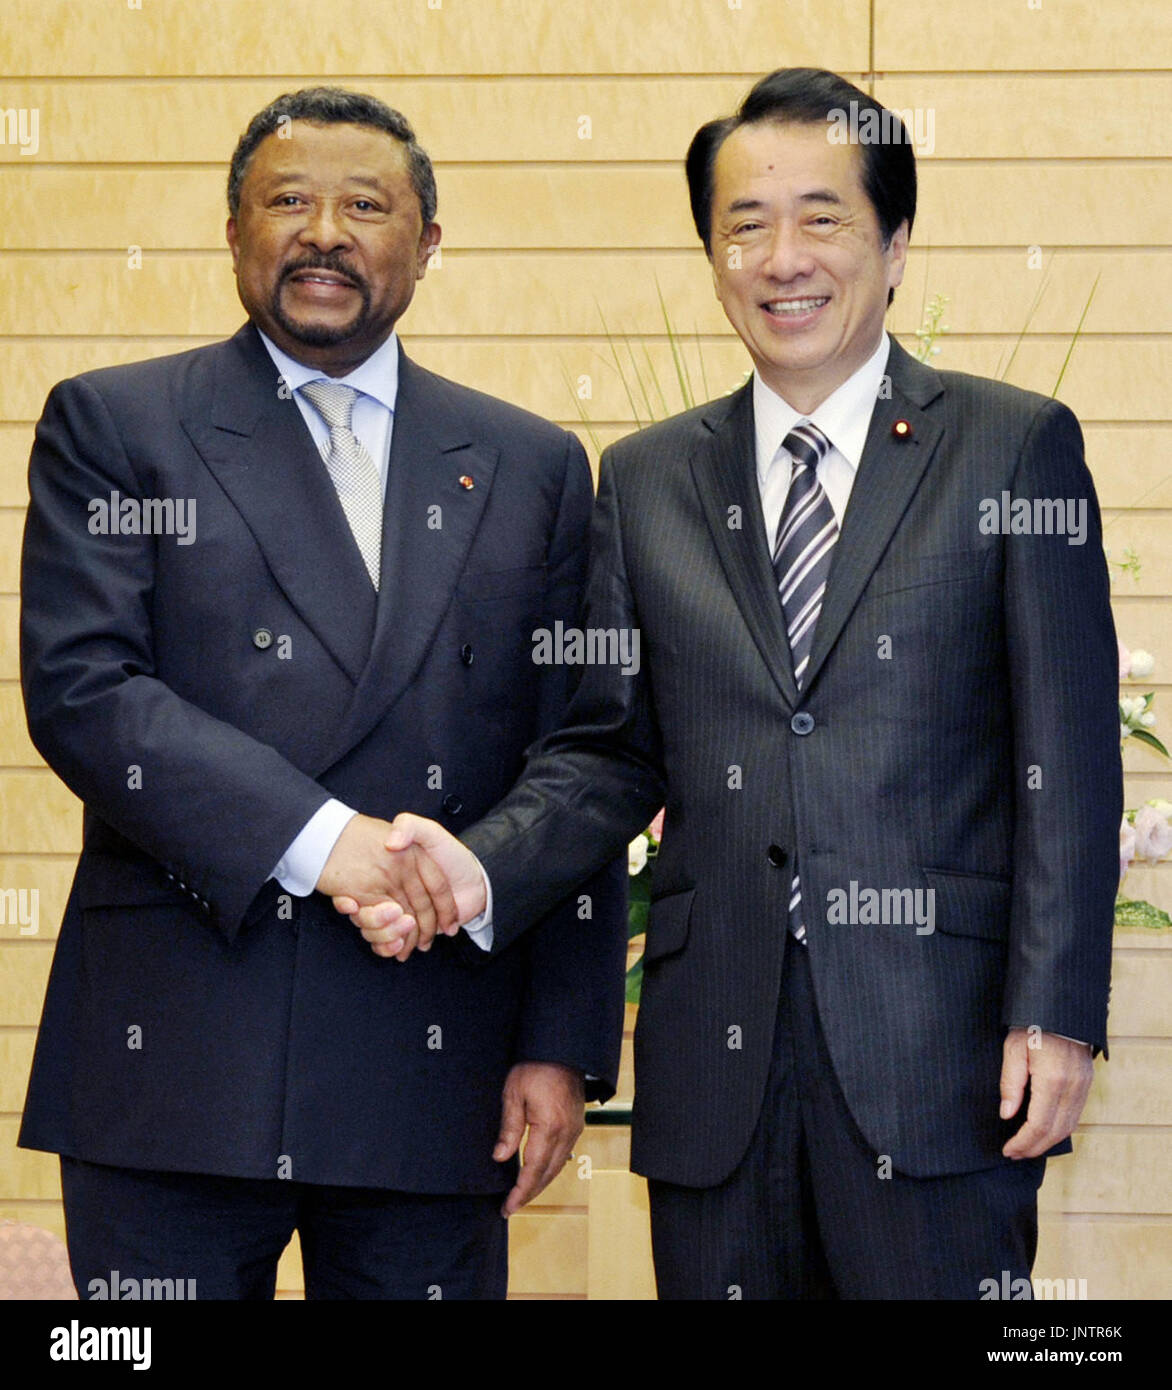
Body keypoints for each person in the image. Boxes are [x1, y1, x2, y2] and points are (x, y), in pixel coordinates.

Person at [340, 68, 1122, 1299]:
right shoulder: (647, 478)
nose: (780, 257)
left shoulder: (1013, 444)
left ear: (896, 243)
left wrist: (1058, 1012)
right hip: (717, 1069)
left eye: (821, 218)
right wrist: (479, 865)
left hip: (940, 1058)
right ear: (710, 255)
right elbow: (607, 750)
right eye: (742, 225)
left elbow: (1069, 752)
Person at [18, 86, 626, 1301]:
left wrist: (559, 1043)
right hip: (178, 1065)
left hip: (435, 1066)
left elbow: (588, 753)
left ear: (429, 243)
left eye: (365, 204)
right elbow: (86, 690)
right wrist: (324, 842)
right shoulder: (118, 425)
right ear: (233, 232)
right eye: (285, 201)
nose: (322, 232)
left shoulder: (531, 465)